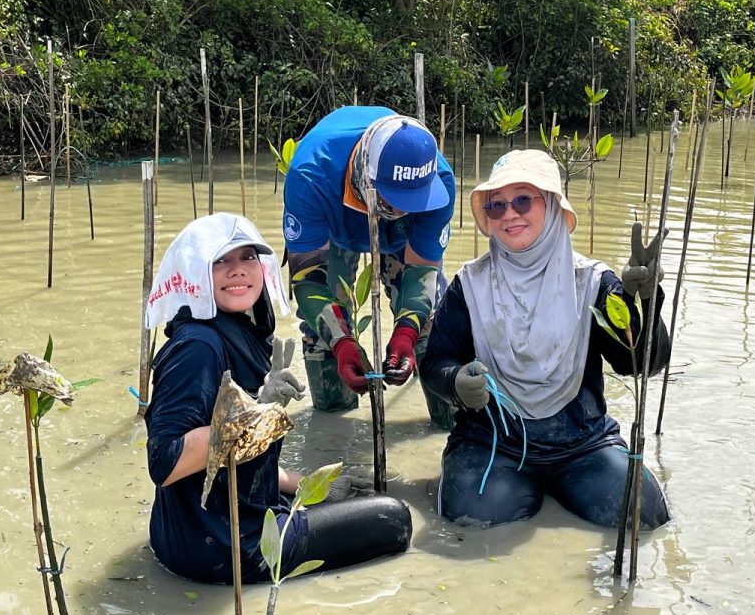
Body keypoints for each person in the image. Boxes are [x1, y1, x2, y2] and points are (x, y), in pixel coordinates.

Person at [143, 212, 412, 584]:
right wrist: (254, 411)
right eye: (220, 261)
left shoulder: (237, 332)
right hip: (229, 549)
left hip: (198, 533)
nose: (238, 270)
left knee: (347, 497)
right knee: (393, 517)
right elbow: (165, 462)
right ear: (194, 274)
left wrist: (308, 485)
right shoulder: (198, 347)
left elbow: (241, 463)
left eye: (248, 257)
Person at [420, 150, 672, 529]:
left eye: (523, 200)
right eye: (497, 205)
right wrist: (455, 382)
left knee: (642, 512)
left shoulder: (593, 283)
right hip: (493, 443)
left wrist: (648, 303)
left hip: (583, 444)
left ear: (553, 205)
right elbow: (435, 363)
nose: (510, 214)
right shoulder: (468, 286)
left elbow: (640, 364)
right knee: (471, 519)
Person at [283, 105, 455, 428]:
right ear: (366, 176)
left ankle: (449, 431)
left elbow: (422, 272)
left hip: (402, 241)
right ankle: (334, 436)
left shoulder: (440, 184)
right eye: (394, 201)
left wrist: (406, 332)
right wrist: (342, 343)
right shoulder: (310, 176)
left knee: (436, 326)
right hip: (332, 228)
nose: (404, 211)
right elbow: (308, 279)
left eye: (414, 201)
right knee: (324, 338)